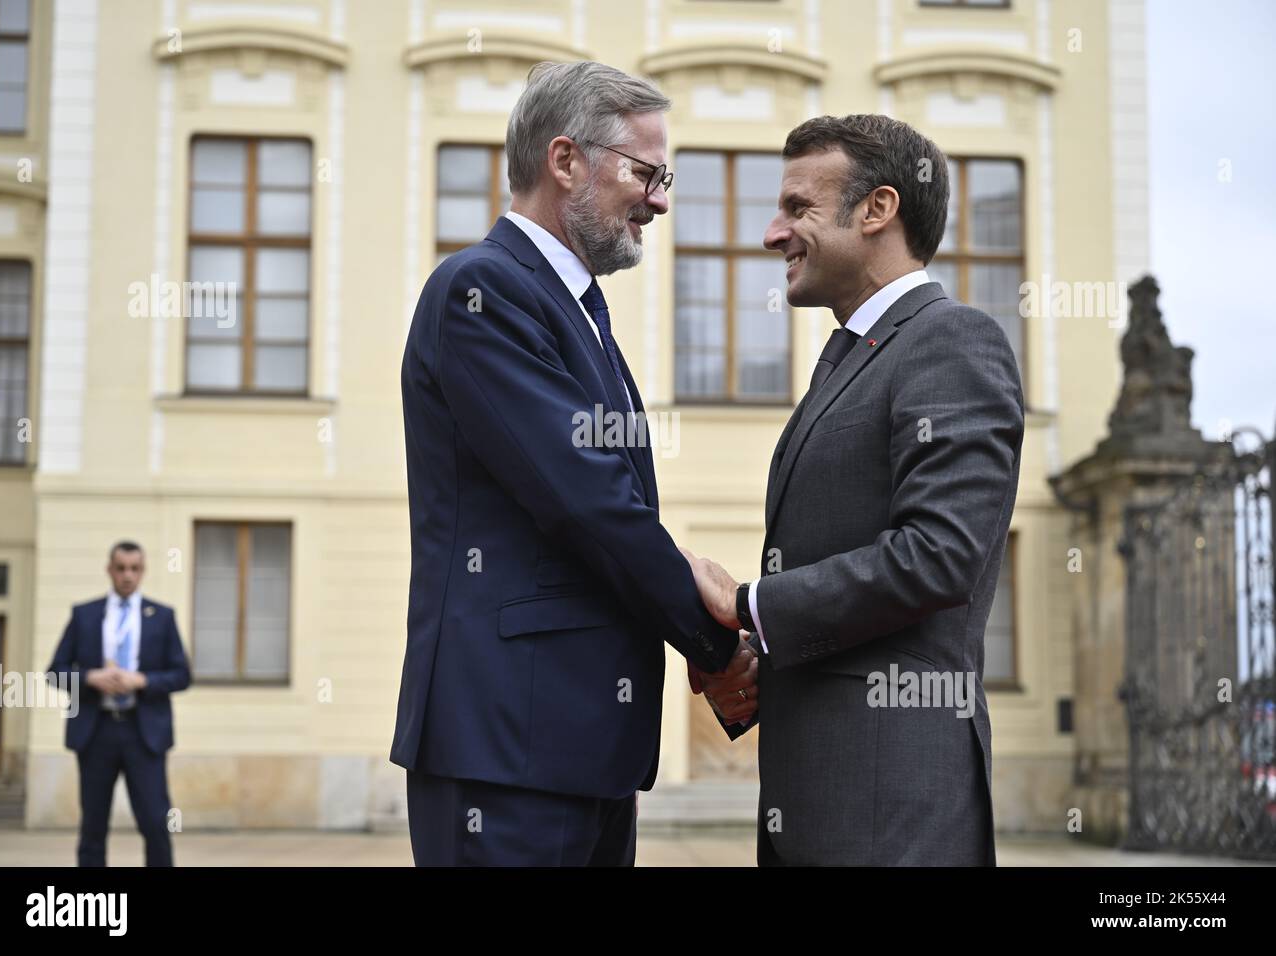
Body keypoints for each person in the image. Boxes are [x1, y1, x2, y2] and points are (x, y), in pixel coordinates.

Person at [391, 60, 753, 866]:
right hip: (508, 750)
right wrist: (717, 644)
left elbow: (601, 503)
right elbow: (586, 502)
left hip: (575, 748)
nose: (661, 199)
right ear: (565, 161)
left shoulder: (578, 311)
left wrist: (689, 578)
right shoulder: (482, 290)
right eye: (647, 172)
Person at [687, 114, 1024, 866]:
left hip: (889, 817)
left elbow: (937, 557)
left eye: (798, 209)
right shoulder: (852, 362)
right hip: (827, 809)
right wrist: (753, 656)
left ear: (877, 210)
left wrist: (749, 605)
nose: (774, 234)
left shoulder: (950, 339)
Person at [48, 540, 191, 866]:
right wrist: (89, 677)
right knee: (93, 826)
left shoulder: (162, 617)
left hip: (144, 736)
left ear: (143, 571)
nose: (127, 575)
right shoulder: (84, 615)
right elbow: (55, 672)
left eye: (134, 568)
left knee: (156, 823)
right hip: (96, 732)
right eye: (121, 568)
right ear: (109, 570)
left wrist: (143, 681)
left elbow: (182, 675)